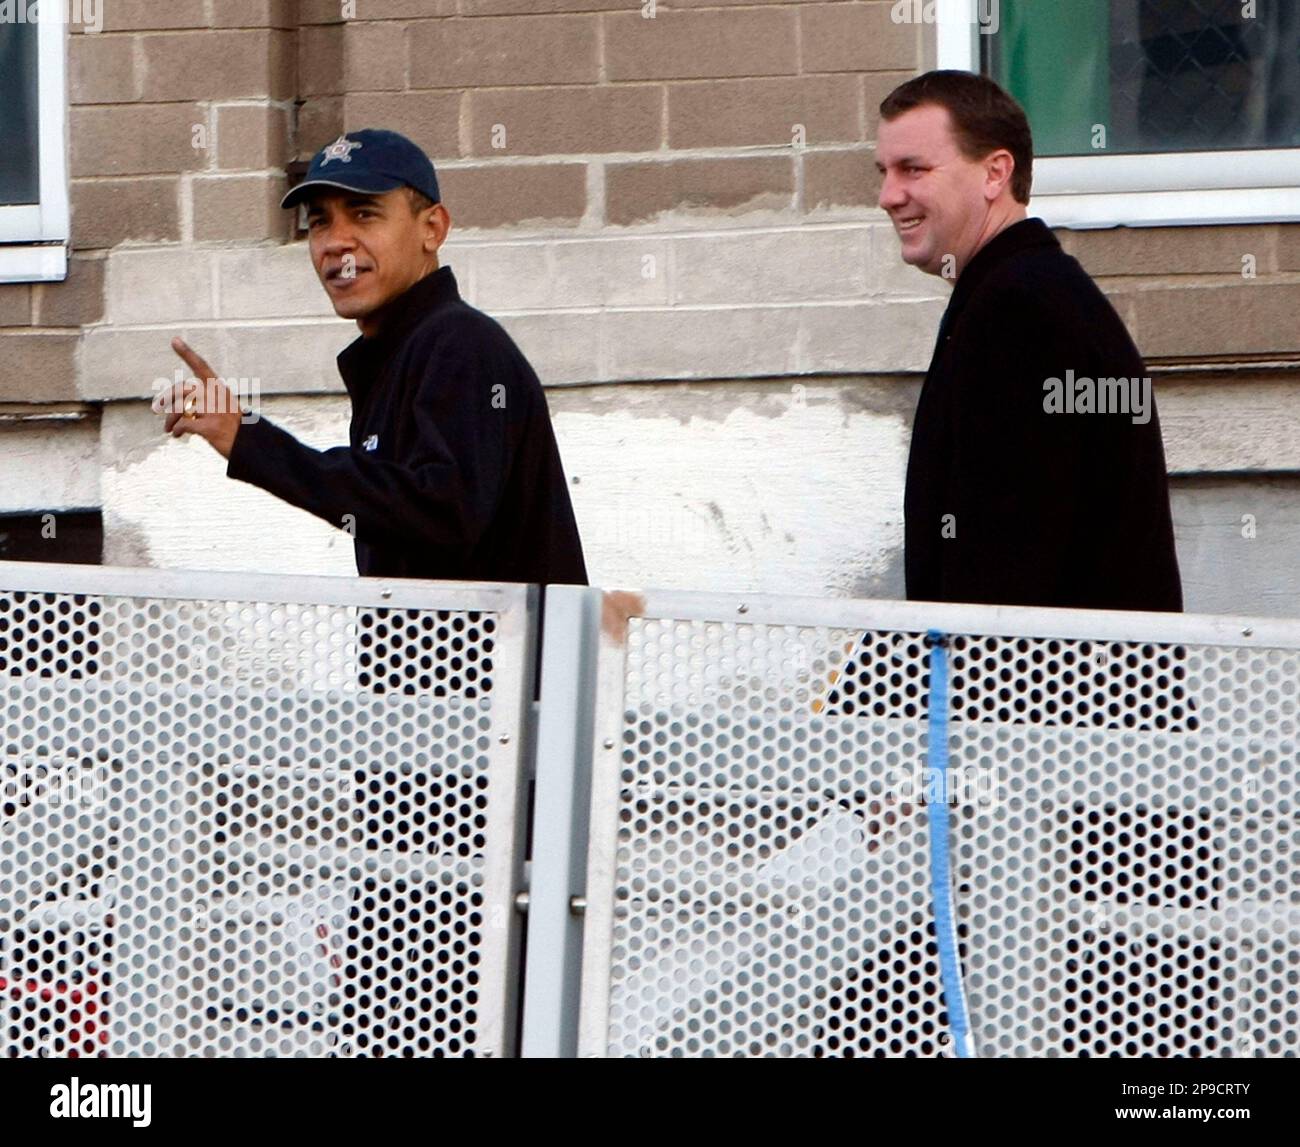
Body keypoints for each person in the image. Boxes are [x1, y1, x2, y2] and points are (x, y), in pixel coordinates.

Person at [154, 128, 587, 589]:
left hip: (501, 661)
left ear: (432, 229)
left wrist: (251, 441)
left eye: (364, 213)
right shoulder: (399, 355)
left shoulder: (461, 344)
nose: (336, 242)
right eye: (319, 221)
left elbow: (444, 515)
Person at [876, 71, 1182, 612]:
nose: (888, 196)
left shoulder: (1019, 308)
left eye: (914, 170)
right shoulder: (1024, 290)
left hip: (1049, 691)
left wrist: (935, 691)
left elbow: (999, 565)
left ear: (996, 173)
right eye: (884, 173)